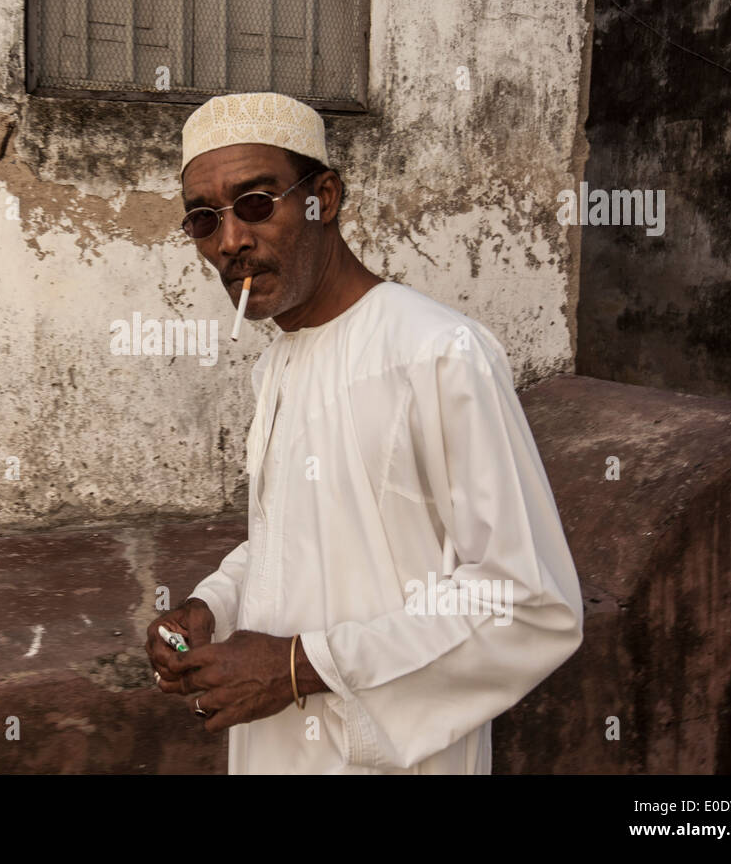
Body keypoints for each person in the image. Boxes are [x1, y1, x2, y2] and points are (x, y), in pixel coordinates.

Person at [145, 91, 583, 774]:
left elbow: (528, 601)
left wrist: (299, 666)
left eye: (256, 202)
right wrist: (210, 605)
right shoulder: (276, 368)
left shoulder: (438, 353)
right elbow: (294, 541)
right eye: (205, 220)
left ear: (325, 196)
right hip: (274, 749)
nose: (230, 240)